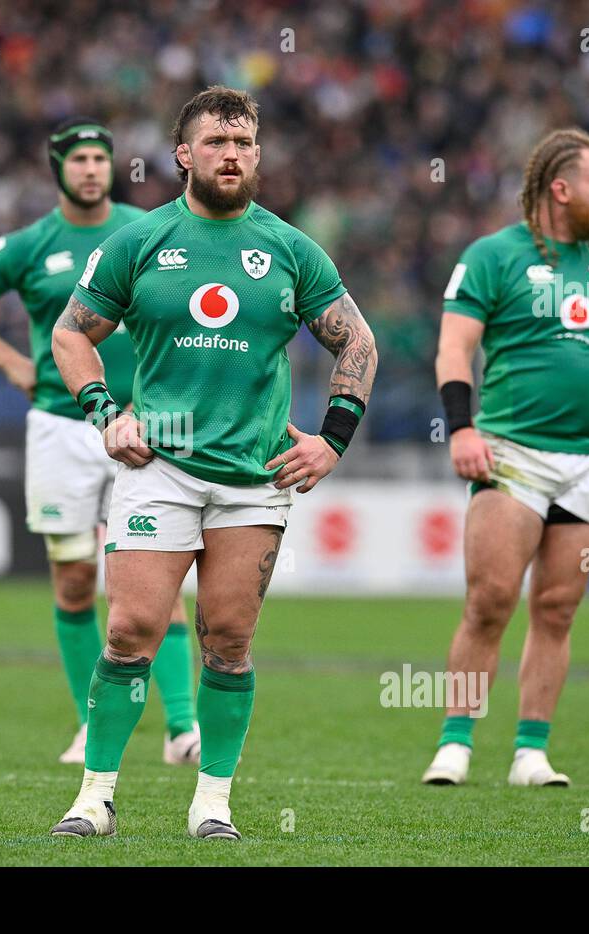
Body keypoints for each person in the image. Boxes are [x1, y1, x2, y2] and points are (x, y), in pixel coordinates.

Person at [49, 86, 378, 839]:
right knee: (130, 626)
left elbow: (357, 342)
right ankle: (93, 796)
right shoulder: (139, 241)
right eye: (218, 143)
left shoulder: (292, 249)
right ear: (183, 155)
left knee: (227, 641)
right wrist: (105, 412)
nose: (233, 155)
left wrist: (331, 439)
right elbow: (72, 335)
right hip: (156, 467)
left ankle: (212, 802)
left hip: (253, 480)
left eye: (246, 144)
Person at [0, 118, 200, 765]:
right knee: (76, 580)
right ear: (58, 170)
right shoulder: (30, 244)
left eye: (100, 158)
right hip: (58, 423)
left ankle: (182, 728)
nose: (90, 169)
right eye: (77, 159)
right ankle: (93, 722)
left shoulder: (149, 231)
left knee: (156, 575)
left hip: (144, 425)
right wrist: (10, 363)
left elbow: (196, 312)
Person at [422, 128, 589, 787]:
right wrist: (461, 428)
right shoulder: (492, 256)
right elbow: (454, 349)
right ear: (560, 189)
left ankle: (531, 753)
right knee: (490, 601)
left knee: (559, 607)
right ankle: (455, 743)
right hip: (510, 453)